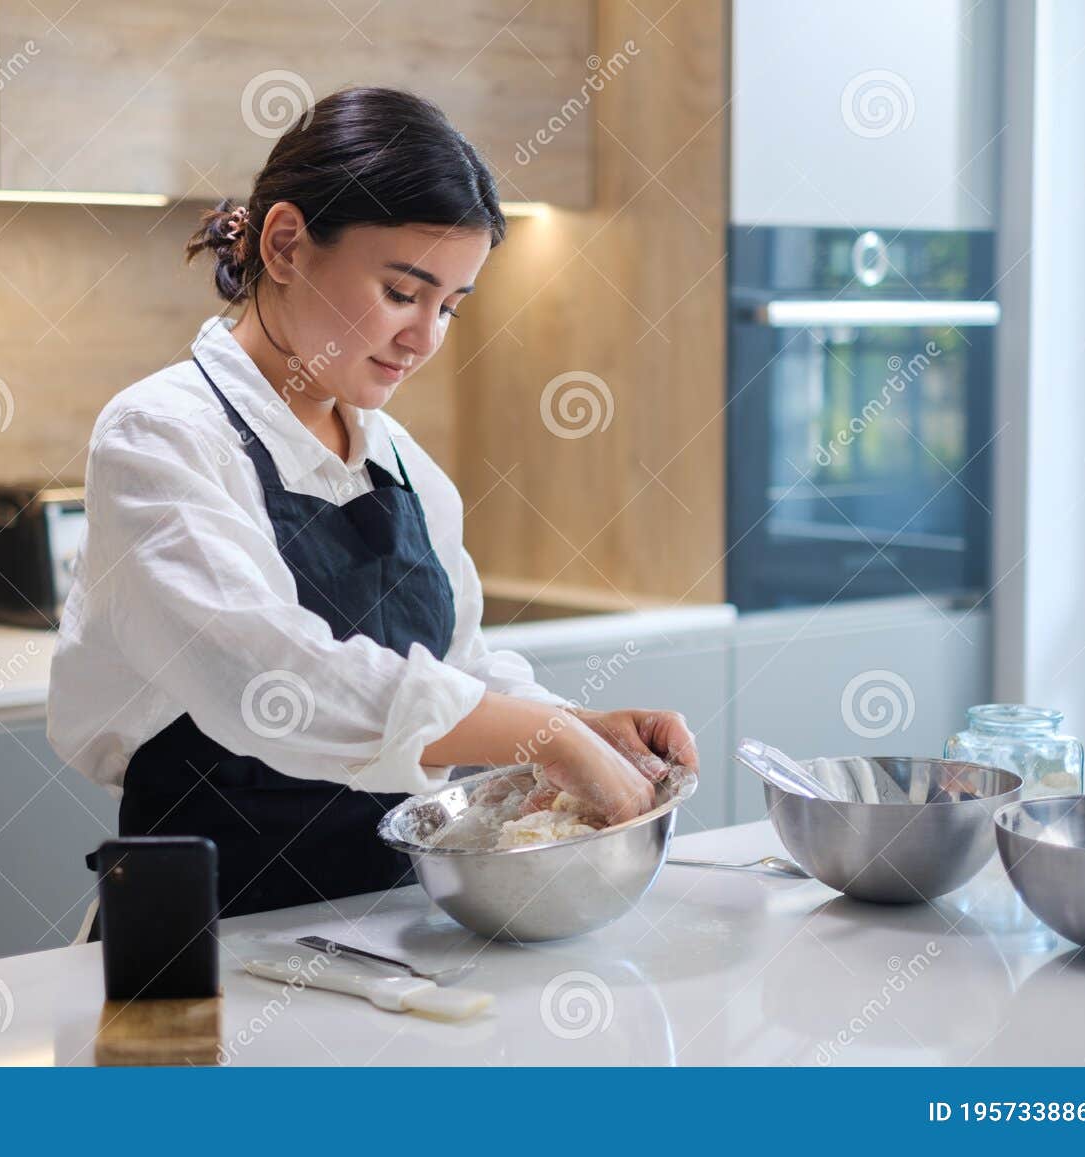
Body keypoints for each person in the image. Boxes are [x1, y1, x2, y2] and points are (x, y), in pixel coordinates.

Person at [47, 86, 698, 928]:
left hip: (392, 931)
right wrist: (549, 740)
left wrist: (578, 723)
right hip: (207, 940)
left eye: (451, 307)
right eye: (401, 292)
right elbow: (266, 676)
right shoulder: (160, 436)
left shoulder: (403, 465)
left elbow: (457, 670)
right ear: (285, 243)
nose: (425, 337)